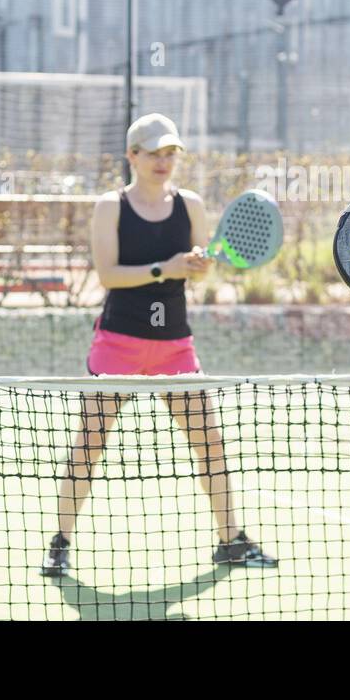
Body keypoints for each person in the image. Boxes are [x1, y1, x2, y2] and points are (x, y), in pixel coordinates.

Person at [41, 113, 276, 577]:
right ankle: (60, 542)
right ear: (132, 156)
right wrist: (163, 268)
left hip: (175, 346)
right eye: (154, 153)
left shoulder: (190, 205)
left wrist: (197, 266)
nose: (164, 162)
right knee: (89, 445)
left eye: (171, 153)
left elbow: (198, 265)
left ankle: (230, 540)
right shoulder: (110, 207)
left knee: (209, 443)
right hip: (118, 344)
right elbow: (108, 274)